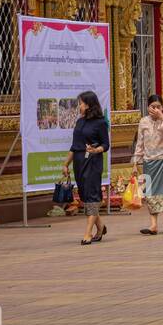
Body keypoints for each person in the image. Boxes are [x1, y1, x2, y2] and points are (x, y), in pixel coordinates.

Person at [62, 90, 109, 246]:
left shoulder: (101, 122)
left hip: (93, 162)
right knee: (85, 196)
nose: (79, 106)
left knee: (92, 196)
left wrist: (96, 150)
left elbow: (106, 144)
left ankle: (88, 233)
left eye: (81, 103)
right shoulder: (80, 122)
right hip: (79, 162)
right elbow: (74, 146)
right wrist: (65, 164)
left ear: (89, 104)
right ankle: (100, 227)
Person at [132, 94, 163, 235]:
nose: (155, 109)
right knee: (151, 193)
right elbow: (140, 143)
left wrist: (162, 118)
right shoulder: (143, 122)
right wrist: (135, 162)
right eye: (153, 107)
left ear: (162, 107)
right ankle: (153, 225)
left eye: (158, 107)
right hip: (150, 161)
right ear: (147, 107)